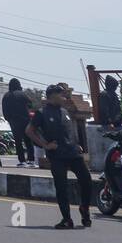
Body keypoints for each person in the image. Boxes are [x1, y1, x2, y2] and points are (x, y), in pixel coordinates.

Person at [27, 84, 92, 228]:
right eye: (60, 94)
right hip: (57, 155)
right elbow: (30, 131)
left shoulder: (64, 111)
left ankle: (84, 208)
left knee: (86, 180)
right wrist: (45, 145)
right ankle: (67, 219)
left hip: (73, 153)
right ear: (51, 96)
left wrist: (77, 144)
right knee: (62, 187)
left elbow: (69, 130)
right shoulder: (42, 112)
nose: (64, 97)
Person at [1, 78, 36, 168]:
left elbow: (4, 109)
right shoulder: (23, 94)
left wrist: (8, 118)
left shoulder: (6, 96)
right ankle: (31, 160)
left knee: (18, 141)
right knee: (28, 140)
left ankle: (22, 161)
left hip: (14, 121)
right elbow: (30, 105)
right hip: (25, 119)